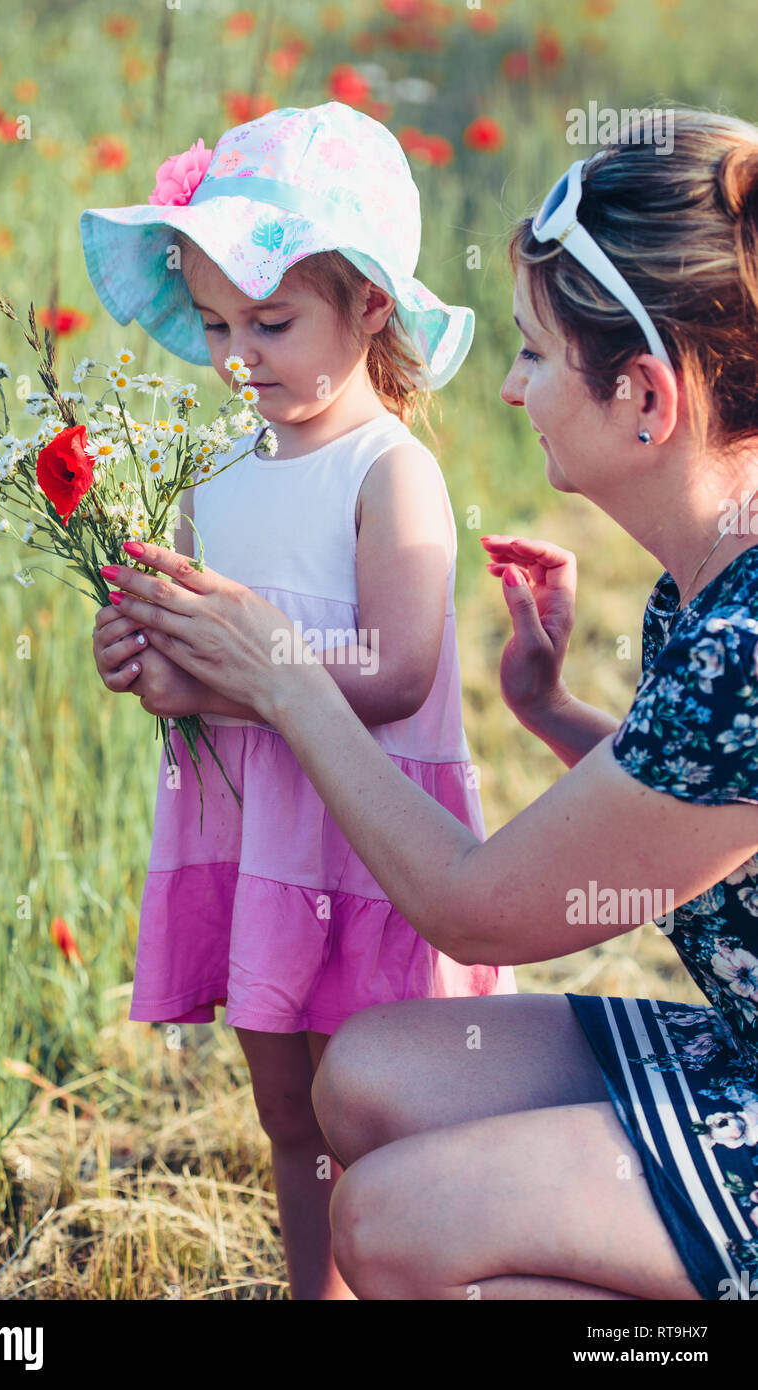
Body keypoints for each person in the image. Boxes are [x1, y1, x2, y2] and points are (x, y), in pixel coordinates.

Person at [100, 108, 758, 1300]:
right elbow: (712, 813)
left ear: (646, 397)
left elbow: (477, 911)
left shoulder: (743, 637)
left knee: (393, 1221)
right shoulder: (702, 593)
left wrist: (275, 675)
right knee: (361, 1078)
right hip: (738, 1051)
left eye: (535, 353)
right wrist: (552, 713)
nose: (507, 388)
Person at [82, 101, 515, 1301]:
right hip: (257, 832)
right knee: (289, 1112)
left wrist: (253, 674)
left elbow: (401, 669)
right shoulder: (212, 471)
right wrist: (148, 667)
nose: (237, 357)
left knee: (372, 1095)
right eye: (215, 324)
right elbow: (197, 668)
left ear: (369, 304)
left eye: (271, 323)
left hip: (368, 839)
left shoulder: (390, 472)